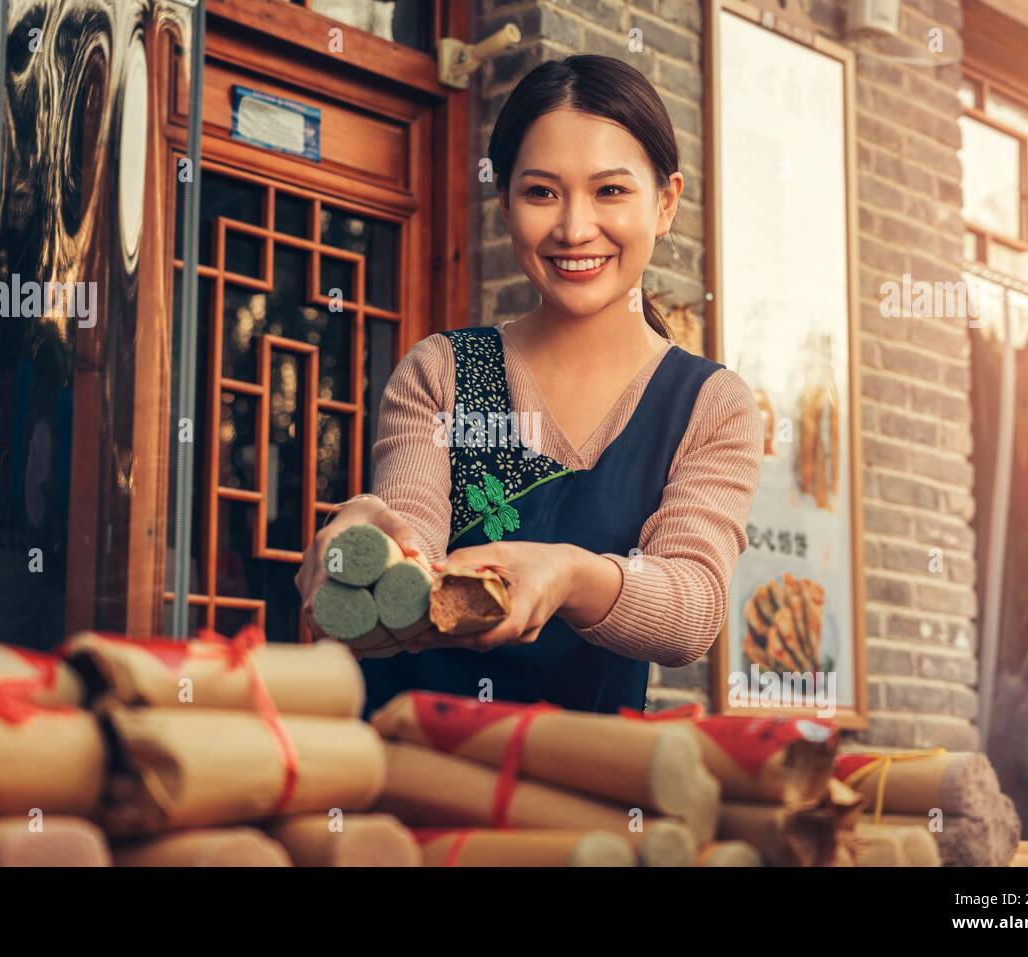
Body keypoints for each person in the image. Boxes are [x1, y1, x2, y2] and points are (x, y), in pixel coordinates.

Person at [295, 54, 764, 718]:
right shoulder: (443, 372)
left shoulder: (708, 404)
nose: (574, 228)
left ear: (665, 204)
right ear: (506, 207)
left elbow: (691, 608)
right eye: (542, 192)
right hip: (410, 772)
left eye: (610, 191)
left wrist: (572, 575)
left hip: (581, 793)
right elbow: (417, 534)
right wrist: (377, 540)